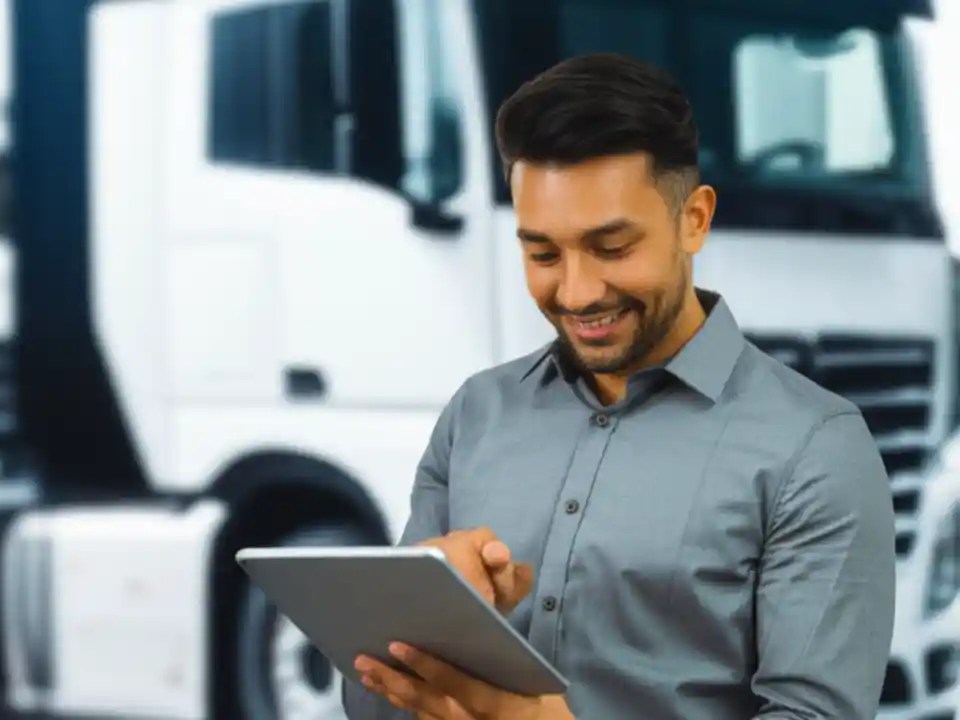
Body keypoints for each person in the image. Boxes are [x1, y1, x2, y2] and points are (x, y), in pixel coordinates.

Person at [341, 52, 895, 720]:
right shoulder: (476, 415)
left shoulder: (814, 448)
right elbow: (369, 703)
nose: (576, 292)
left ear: (694, 219)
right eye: (543, 254)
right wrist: (417, 620)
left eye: (612, 248)